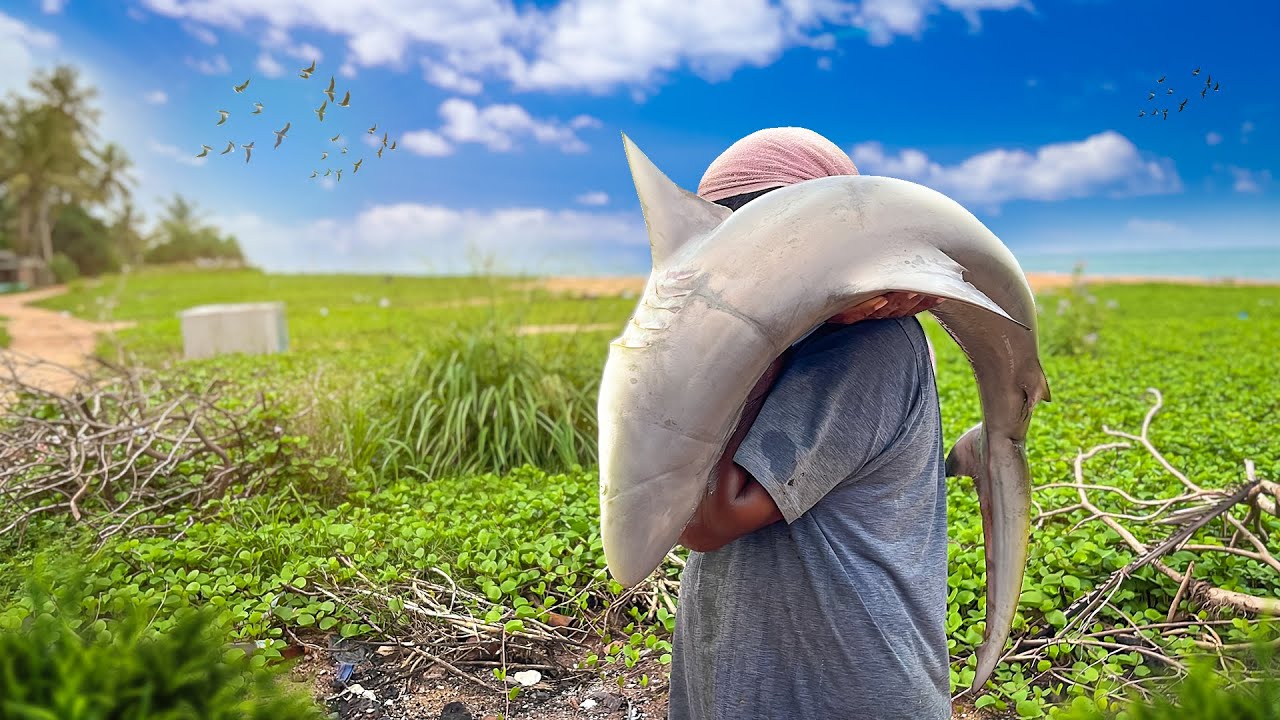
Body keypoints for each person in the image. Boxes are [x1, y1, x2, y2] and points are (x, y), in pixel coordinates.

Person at [666, 127, 952, 720]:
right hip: (752, 675)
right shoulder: (796, 340)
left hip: (845, 687)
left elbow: (707, 518)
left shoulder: (869, 347)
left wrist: (758, 327)